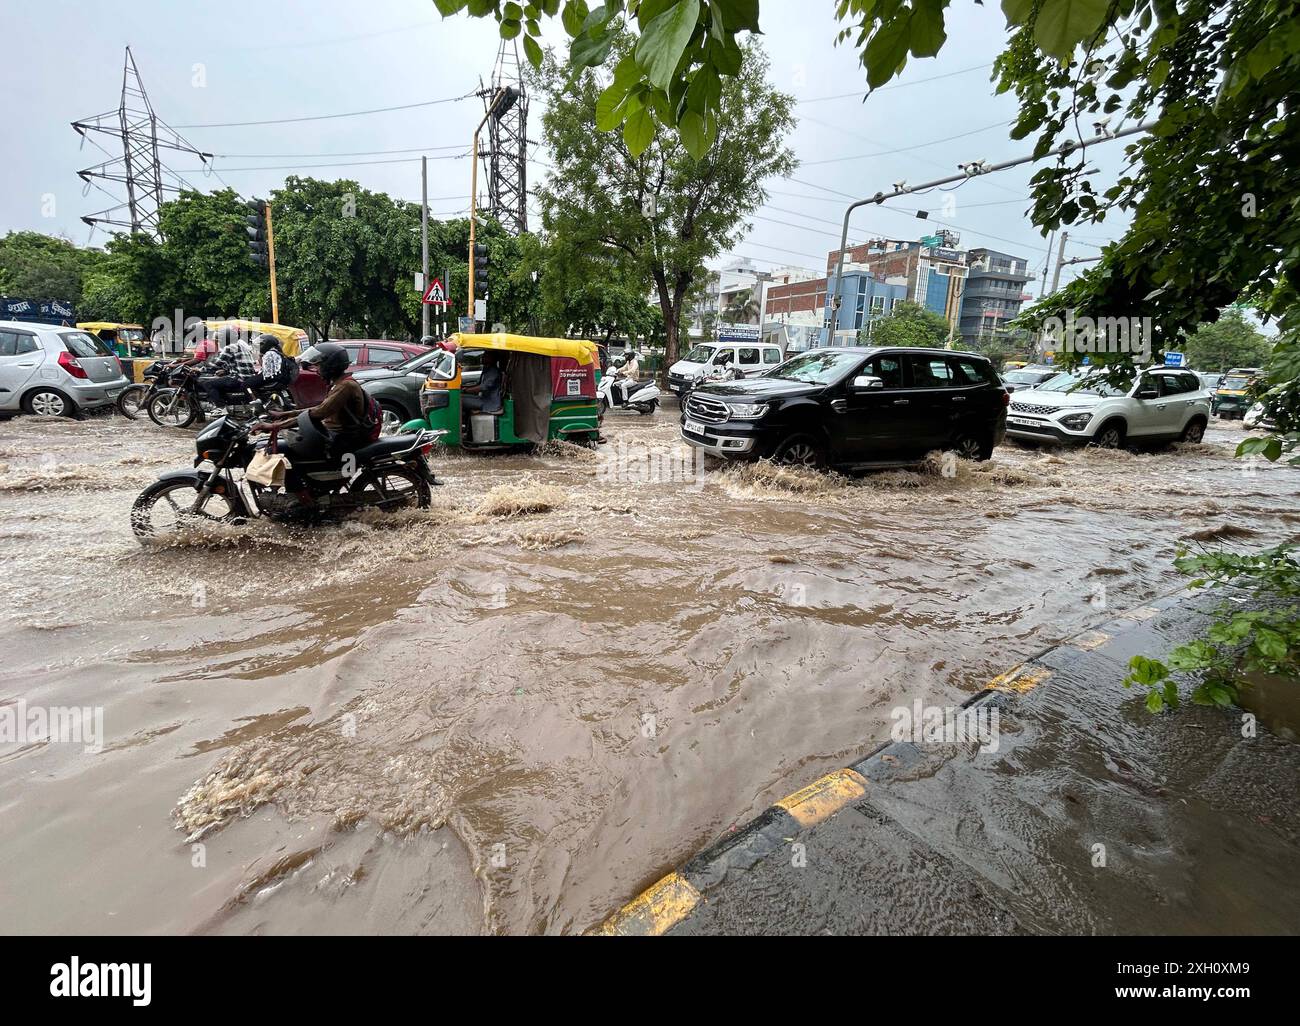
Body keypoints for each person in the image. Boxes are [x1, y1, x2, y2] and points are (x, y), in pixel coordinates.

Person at [252, 342, 369, 455]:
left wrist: (274, 426)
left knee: (282, 447)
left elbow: (319, 413)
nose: (317, 370)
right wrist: (286, 414)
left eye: (318, 365)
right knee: (289, 437)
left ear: (330, 365)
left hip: (342, 439)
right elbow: (321, 408)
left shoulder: (346, 386)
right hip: (334, 433)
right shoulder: (339, 383)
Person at [196, 328, 257, 406]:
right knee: (219, 381)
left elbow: (215, 364)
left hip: (238, 378)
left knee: (208, 384)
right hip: (248, 377)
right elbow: (237, 363)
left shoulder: (229, 348)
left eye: (220, 339)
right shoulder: (242, 345)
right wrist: (225, 370)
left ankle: (220, 407)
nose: (219, 342)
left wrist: (200, 369)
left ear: (226, 338)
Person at [462, 351, 504, 415]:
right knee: (460, 396)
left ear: (492, 359)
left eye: (485, 356)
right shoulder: (487, 369)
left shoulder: (493, 372)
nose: (482, 357)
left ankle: (458, 422)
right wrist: (466, 388)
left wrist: (466, 390)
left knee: (459, 400)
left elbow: (483, 387)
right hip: (484, 398)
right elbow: (479, 384)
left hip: (489, 403)